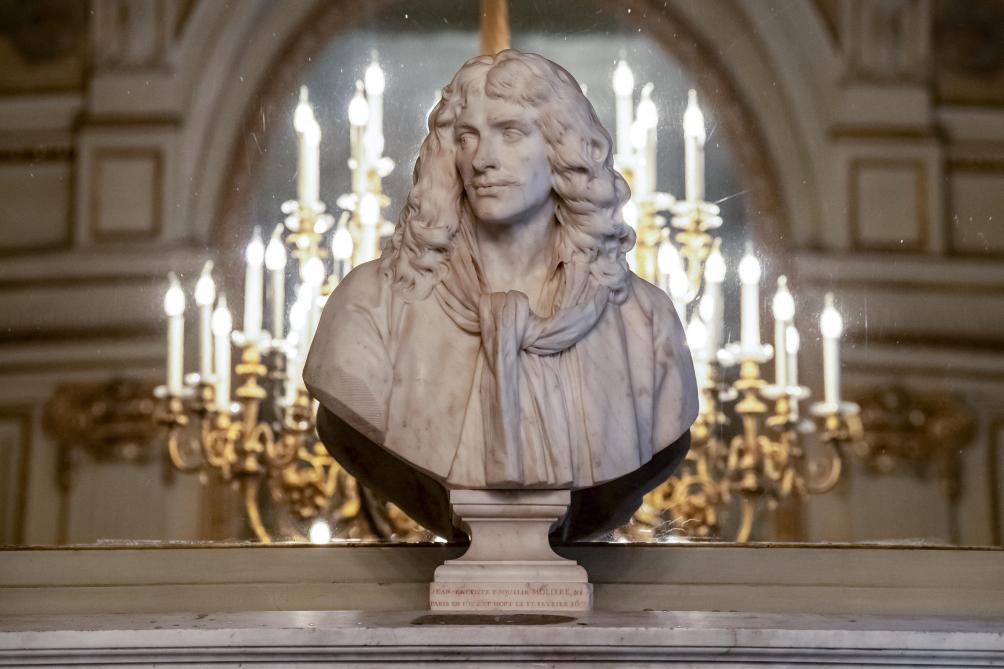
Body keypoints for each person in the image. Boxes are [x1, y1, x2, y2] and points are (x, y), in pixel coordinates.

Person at [305, 49, 697, 540]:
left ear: (563, 149)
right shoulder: (371, 306)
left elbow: (664, 432)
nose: (483, 159)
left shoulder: (644, 320)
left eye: (511, 133)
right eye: (467, 137)